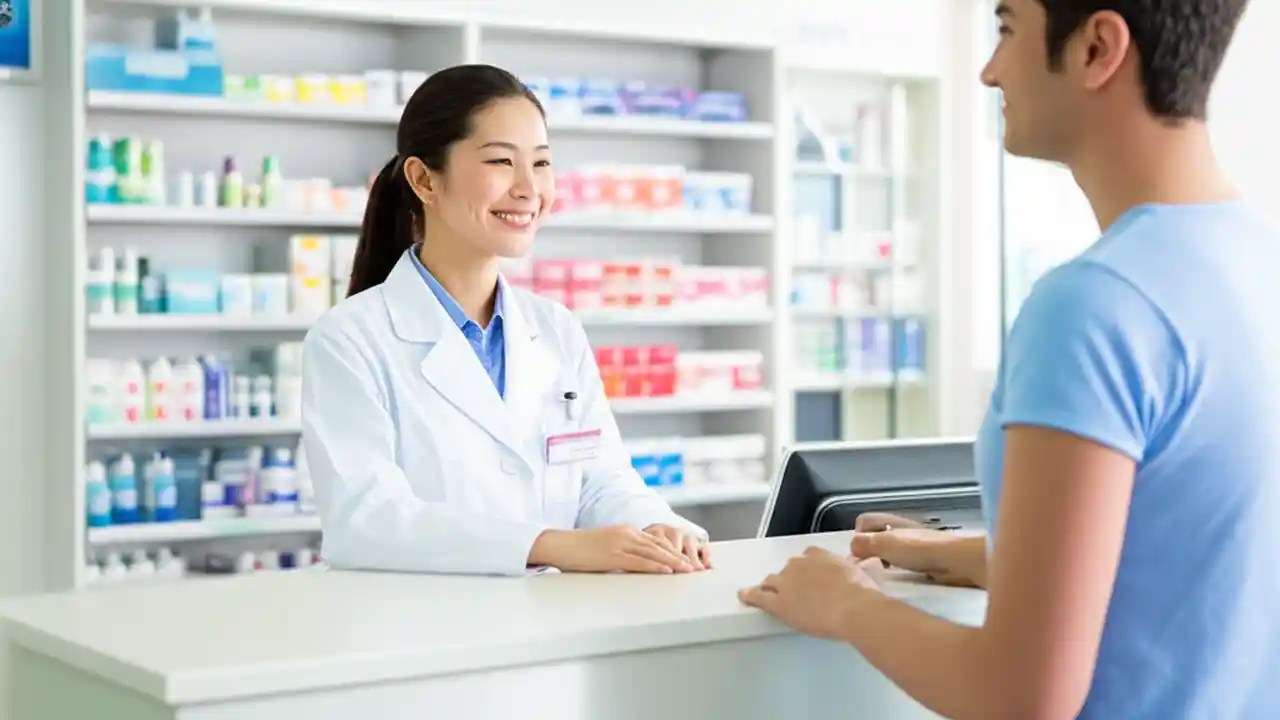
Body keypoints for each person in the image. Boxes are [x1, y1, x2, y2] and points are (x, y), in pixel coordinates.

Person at [741, 1, 1280, 718]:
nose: (989, 71)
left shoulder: (1094, 305)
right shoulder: (1257, 262)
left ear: (1097, 49)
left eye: (1005, 29)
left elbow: (1019, 693)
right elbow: (1179, 552)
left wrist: (845, 605)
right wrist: (941, 551)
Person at [301, 64, 710, 577]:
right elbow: (366, 519)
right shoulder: (350, 339)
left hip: (549, 625)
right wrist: (555, 546)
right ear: (424, 179)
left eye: (541, 164)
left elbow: (602, 480)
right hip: (417, 636)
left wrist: (654, 527)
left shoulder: (556, 329)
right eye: (500, 161)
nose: (528, 188)